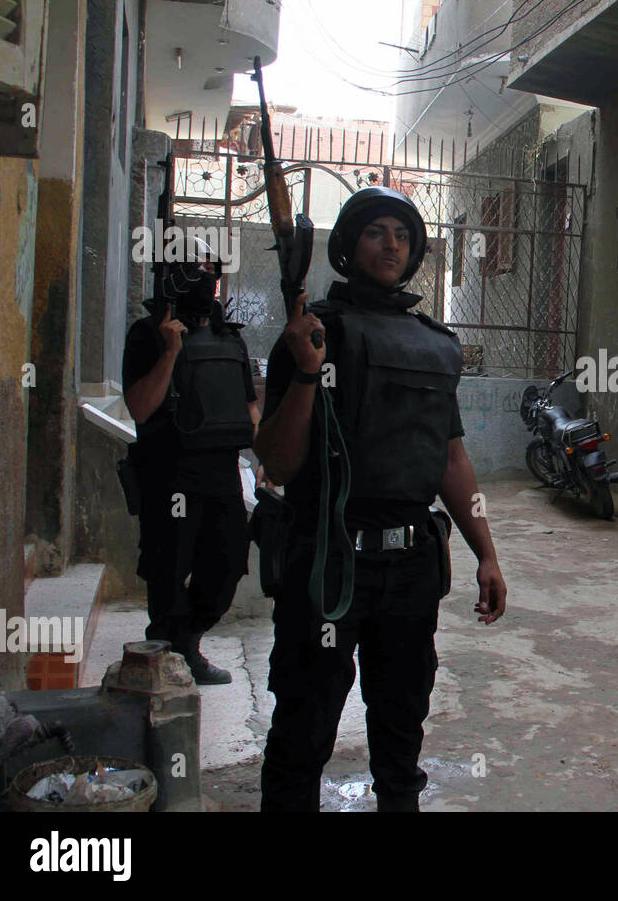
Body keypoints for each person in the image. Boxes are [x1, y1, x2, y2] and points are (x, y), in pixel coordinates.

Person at [255, 186, 507, 812]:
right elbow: (279, 463)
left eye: (401, 233)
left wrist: (488, 554)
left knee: (400, 735)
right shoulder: (312, 334)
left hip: (410, 566)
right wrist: (308, 370)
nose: (390, 244)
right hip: (327, 564)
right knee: (303, 733)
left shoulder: (433, 342)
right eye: (375, 232)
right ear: (348, 245)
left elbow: (452, 458)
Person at [122, 244, 258, 685]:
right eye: (192, 270)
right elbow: (141, 409)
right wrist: (169, 352)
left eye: (209, 271)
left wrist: (264, 458)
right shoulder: (146, 335)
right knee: (166, 572)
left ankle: (182, 643)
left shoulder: (228, 338)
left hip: (221, 476)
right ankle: (168, 659)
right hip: (169, 478)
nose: (204, 279)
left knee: (227, 569)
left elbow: (250, 408)